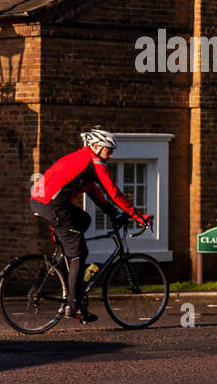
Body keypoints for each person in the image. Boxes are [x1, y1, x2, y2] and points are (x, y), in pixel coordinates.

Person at [30, 127, 151, 323]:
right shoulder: (93, 161)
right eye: (108, 150)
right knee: (79, 252)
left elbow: (95, 193)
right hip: (51, 206)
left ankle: (69, 262)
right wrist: (137, 215)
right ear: (95, 147)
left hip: (46, 203)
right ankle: (73, 304)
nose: (110, 155)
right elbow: (113, 192)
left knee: (84, 220)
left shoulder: (83, 160)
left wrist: (113, 213)